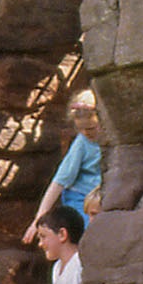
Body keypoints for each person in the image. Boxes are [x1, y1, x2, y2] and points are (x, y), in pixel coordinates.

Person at [25, 87, 107, 243]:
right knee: (88, 233)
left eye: (90, 128)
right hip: (80, 199)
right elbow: (59, 181)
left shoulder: (109, 139)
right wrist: (38, 219)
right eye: (80, 129)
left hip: (98, 198)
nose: (86, 133)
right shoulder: (81, 144)